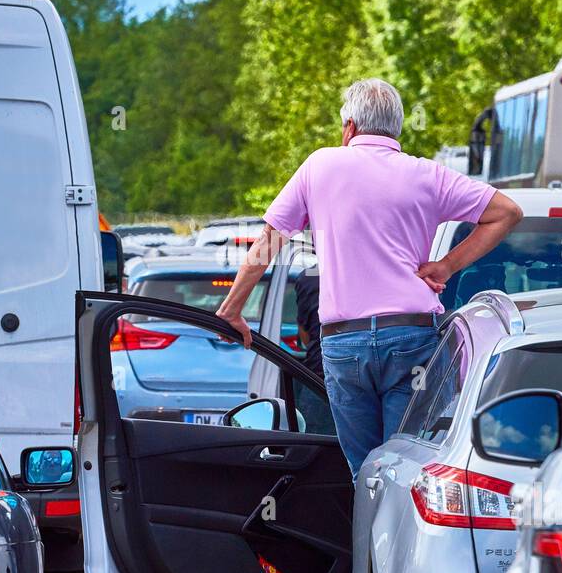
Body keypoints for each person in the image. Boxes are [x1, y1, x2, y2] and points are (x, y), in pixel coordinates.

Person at [216, 78, 522, 474]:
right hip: (412, 338)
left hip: (346, 343)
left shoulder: (320, 165)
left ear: (349, 127)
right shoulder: (428, 174)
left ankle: (365, 529)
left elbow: (270, 241)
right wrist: (446, 266)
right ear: (395, 129)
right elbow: (507, 212)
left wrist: (232, 308)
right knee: (408, 471)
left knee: (364, 472)